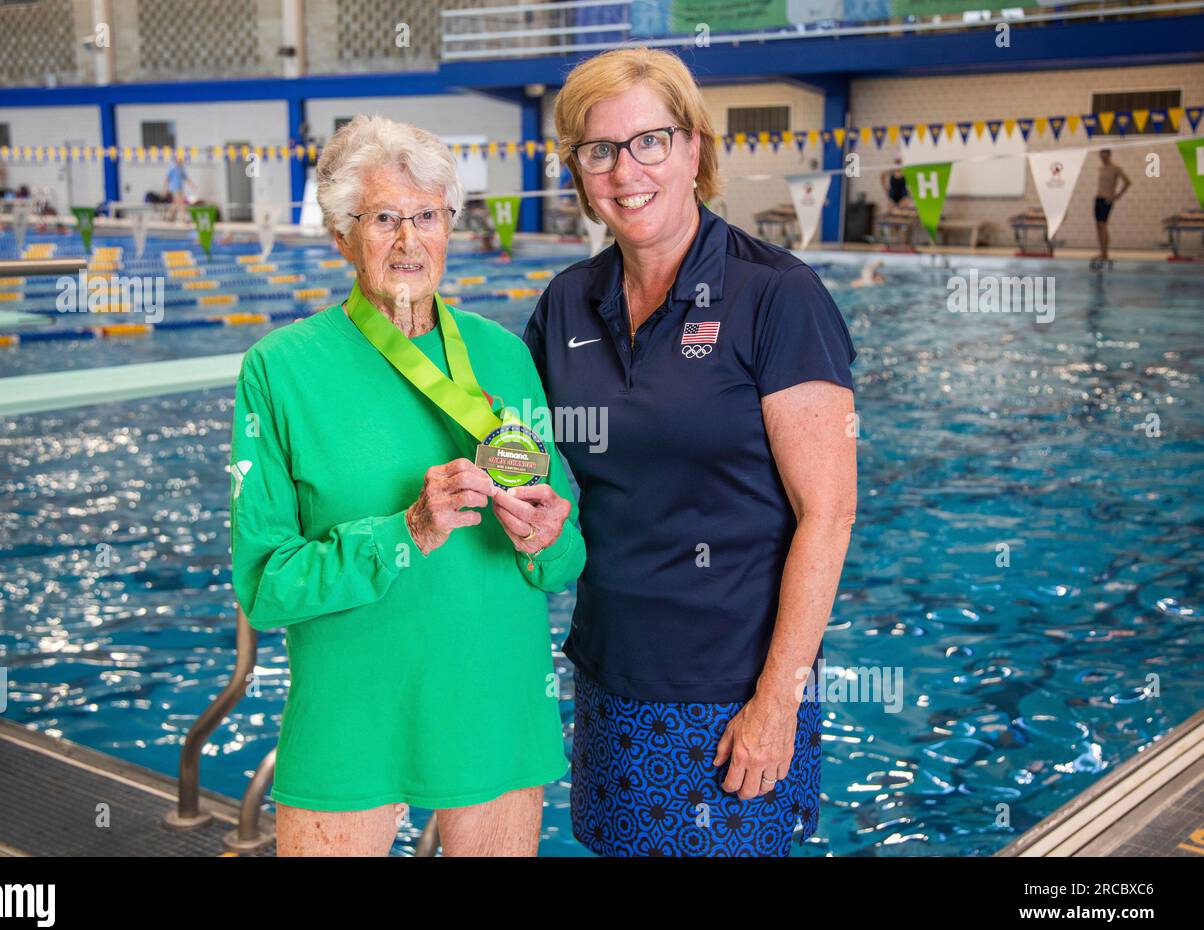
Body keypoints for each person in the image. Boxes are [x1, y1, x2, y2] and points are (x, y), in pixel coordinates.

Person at [524, 47, 858, 857]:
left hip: (733, 692)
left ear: (695, 149)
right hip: (610, 669)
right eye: (598, 150)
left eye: (650, 141)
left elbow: (830, 510)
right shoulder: (570, 299)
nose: (625, 169)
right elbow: (518, 452)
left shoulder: (777, 297)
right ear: (577, 169)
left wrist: (777, 700)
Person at [229, 114, 585, 856]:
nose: (408, 239)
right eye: (384, 218)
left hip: (496, 698)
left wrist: (549, 537)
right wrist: (406, 531)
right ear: (340, 234)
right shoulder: (280, 370)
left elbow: (565, 553)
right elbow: (265, 586)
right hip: (353, 710)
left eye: (427, 216)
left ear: (450, 227)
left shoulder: (505, 358)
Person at [1093, 148, 1130, 265]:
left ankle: (1105, 253)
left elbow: (1127, 182)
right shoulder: (1101, 168)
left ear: (1109, 156)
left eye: (1105, 156)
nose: (1103, 159)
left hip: (1107, 200)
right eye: (1101, 156)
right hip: (1098, 199)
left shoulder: (1115, 168)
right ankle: (1102, 252)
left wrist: (1116, 196)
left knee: (1103, 225)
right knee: (1098, 226)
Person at [165, 153, 188, 222]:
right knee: (181, 203)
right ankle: (182, 218)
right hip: (174, 188)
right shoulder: (172, 168)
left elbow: (186, 177)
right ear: (176, 160)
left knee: (176, 203)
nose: (181, 161)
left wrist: (193, 185)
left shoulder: (181, 168)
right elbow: (167, 178)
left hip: (180, 188)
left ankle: (169, 216)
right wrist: (165, 189)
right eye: (180, 160)